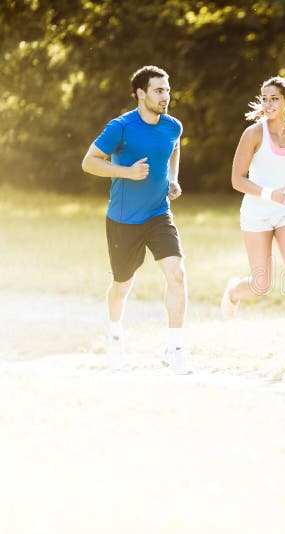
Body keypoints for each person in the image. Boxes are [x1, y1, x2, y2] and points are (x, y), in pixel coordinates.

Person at [81, 65, 191, 374]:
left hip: (159, 214)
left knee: (177, 274)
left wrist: (172, 178)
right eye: (158, 91)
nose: (165, 96)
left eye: (167, 90)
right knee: (122, 285)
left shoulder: (173, 126)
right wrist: (127, 172)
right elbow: (89, 162)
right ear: (140, 93)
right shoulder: (121, 127)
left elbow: (174, 148)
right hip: (123, 220)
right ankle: (114, 334)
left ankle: (175, 347)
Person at [221, 76, 285, 367]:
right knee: (261, 285)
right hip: (256, 213)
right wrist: (268, 194)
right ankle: (234, 291)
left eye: (275, 98)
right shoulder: (254, 134)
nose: (269, 103)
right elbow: (237, 180)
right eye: (265, 98)